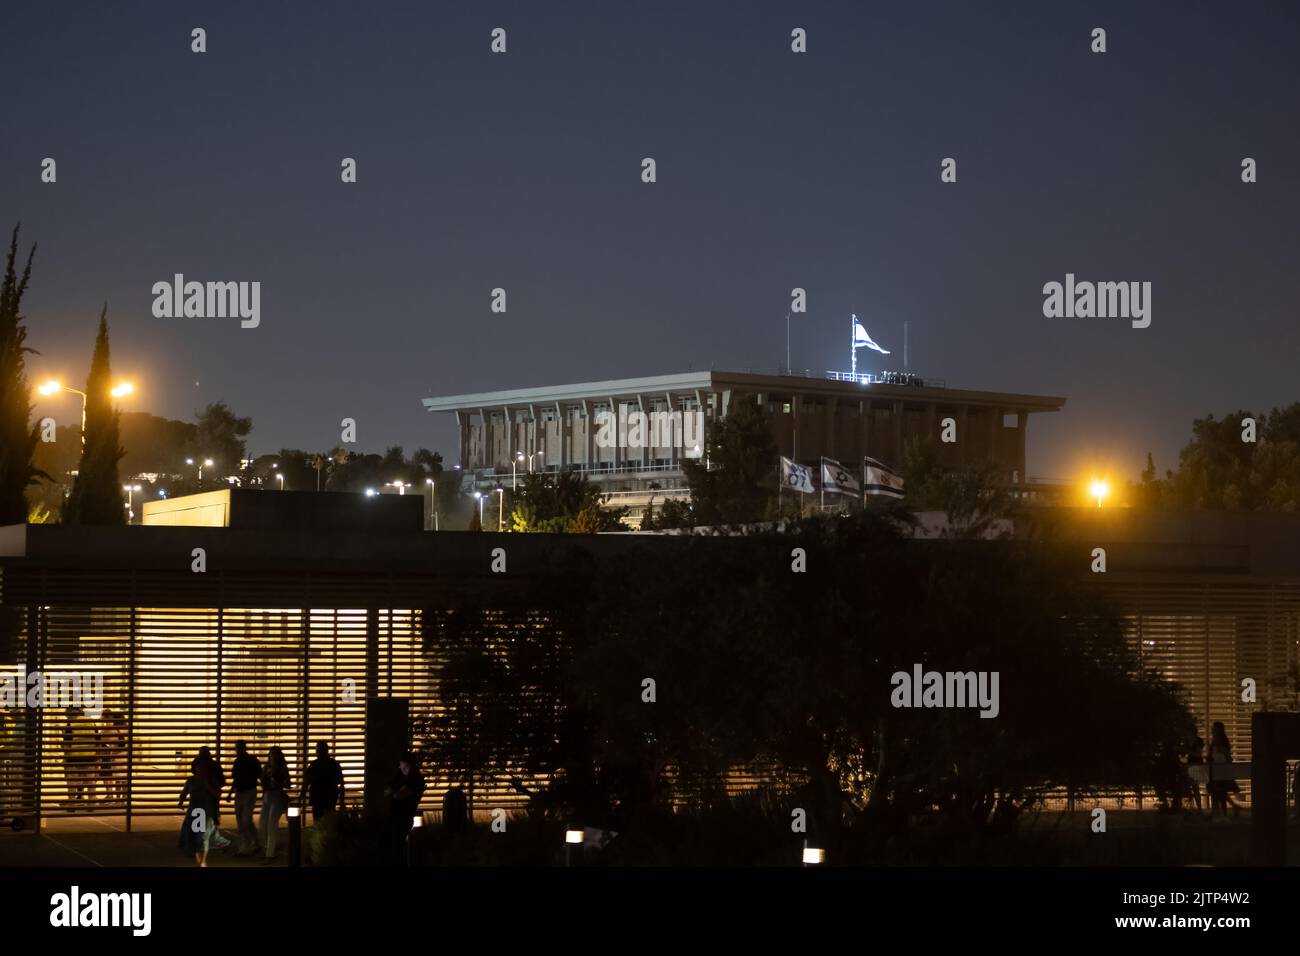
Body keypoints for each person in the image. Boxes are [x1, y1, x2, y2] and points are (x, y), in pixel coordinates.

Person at [384, 752, 425, 859]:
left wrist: (394, 791)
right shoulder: (402, 777)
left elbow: (398, 795)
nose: (400, 767)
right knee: (392, 846)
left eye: (401, 764)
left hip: (403, 818)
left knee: (397, 848)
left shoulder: (415, 779)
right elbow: (388, 792)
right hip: (395, 818)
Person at [178, 762, 217, 867]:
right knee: (192, 833)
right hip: (193, 809)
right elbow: (184, 792)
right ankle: (194, 854)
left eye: (203, 769)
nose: (201, 771)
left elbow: (216, 794)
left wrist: (208, 786)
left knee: (201, 834)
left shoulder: (209, 781)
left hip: (204, 810)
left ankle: (200, 856)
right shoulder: (191, 781)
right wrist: (181, 801)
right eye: (199, 769)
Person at [61, 707, 98, 809]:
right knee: (91, 782)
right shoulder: (92, 723)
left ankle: (71, 804)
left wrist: (66, 757)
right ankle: (91, 805)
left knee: (72, 783)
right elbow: (97, 741)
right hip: (90, 758)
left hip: (74, 758)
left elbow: (67, 745)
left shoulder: (71, 725)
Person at [229, 741, 262, 856]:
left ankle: (246, 846)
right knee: (243, 821)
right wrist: (230, 792)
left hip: (248, 792)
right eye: (236, 748)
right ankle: (253, 842)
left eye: (237, 748)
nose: (236, 750)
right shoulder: (238, 761)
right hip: (241, 792)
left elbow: (259, 775)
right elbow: (236, 779)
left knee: (245, 820)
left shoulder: (250, 760)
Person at [259, 747, 291, 862]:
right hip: (267, 796)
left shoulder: (282, 768)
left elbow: (288, 783)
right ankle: (269, 849)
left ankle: (270, 854)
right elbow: (262, 780)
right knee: (262, 825)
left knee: (271, 825)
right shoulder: (266, 767)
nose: (272, 756)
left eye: (274, 754)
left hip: (276, 796)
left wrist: (278, 782)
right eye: (271, 754)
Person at [301, 742, 345, 823]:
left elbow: (306, 782)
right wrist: (342, 800)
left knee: (318, 822)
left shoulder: (314, 765)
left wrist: (301, 796)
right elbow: (341, 783)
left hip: (318, 798)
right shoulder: (333, 764)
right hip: (330, 797)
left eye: (318, 750)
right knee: (329, 822)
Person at [1207, 722, 1242, 819]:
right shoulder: (1215, 740)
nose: (1212, 729)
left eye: (1213, 728)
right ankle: (1221, 811)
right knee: (1218, 791)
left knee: (1219, 791)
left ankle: (1220, 813)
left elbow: (1226, 754)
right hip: (1215, 768)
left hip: (1220, 769)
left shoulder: (1221, 741)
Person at [98, 711, 127, 804]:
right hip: (126, 756)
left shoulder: (113, 730)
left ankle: (118, 800)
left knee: (118, 780)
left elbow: (103, 739)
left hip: (116, 756)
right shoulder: (127, 729)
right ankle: (124, 798)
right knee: (125, 779)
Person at [1186, 736, 1205, 813]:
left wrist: (1186, 750)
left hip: (1196, 765)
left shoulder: (1198, 741)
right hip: (1191, 764)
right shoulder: (1188, 741)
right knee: (1194, 787)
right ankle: (1196, 808)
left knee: (1195, 787)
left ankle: (1199, 808)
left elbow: (1198, 754)